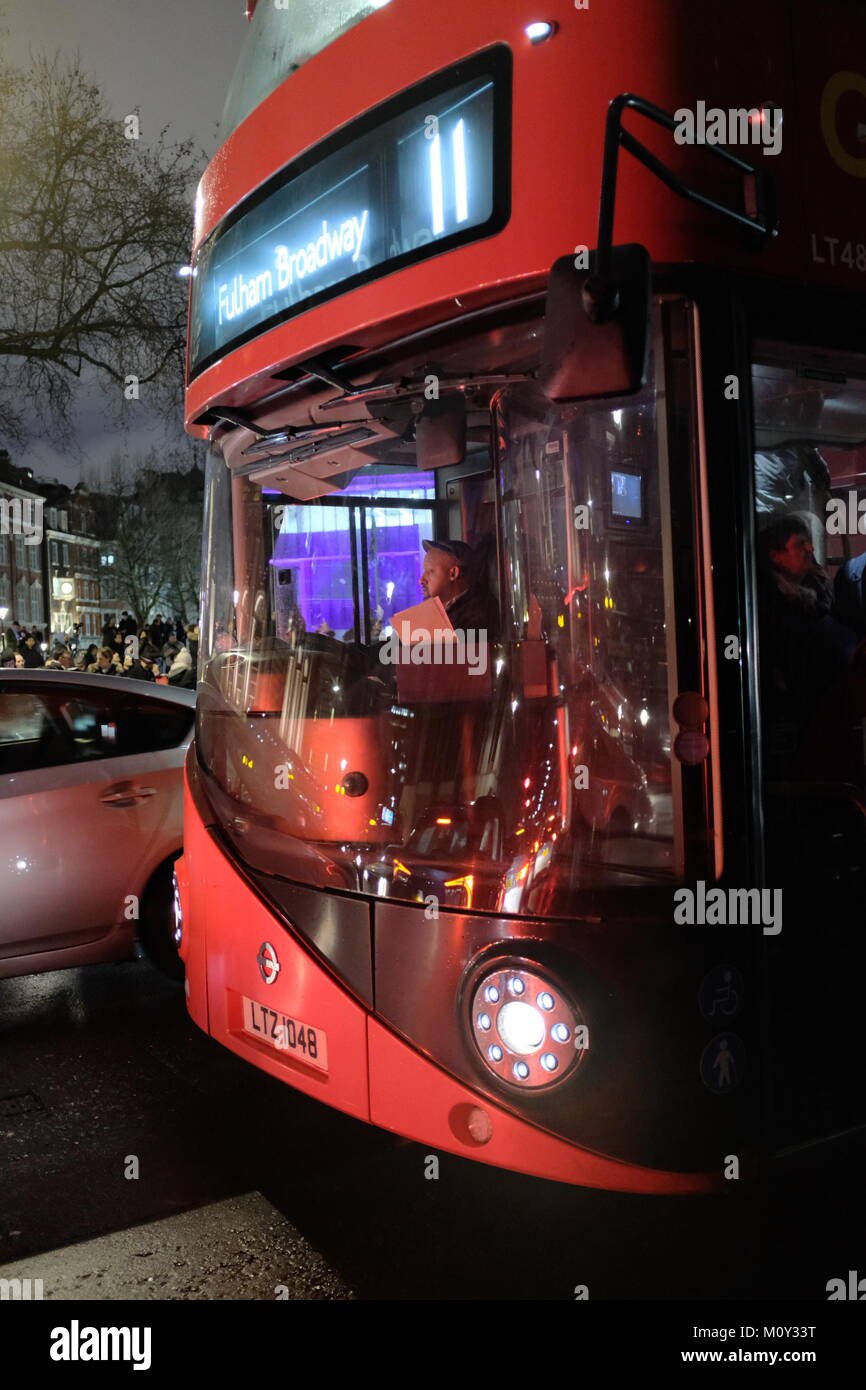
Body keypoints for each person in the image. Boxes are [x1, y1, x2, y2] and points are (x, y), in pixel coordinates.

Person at [419, 538, 500, 642]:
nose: (421, 580)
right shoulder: (433, 612)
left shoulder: (478, 617)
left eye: (430, 571)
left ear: (453, 573)